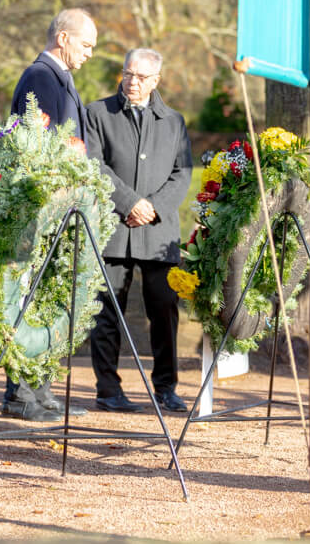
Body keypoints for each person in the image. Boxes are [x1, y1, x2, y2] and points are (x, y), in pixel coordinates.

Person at [85, 48, 192, 413]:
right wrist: (129, 202)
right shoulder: (97, 113)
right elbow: (93, 164)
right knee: (106, 311)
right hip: (113, 227)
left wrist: (152, 208)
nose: (132, 82)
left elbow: (183, 173)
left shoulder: (174, 121)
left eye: (141, 77)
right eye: (128, 74)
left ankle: (166, 387)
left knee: (164, 310)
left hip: (159, 234)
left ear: (156, 81)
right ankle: (108, 389)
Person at [3, 8, 98, 422]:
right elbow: (38, 143)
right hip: (41, 206)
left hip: (59, 205)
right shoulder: (41, 76)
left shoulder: (60, 77)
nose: (90, 53)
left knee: (47, 300)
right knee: (31, 300)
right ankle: (21, 394)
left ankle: (40, 390)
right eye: (86, 44)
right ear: (63, 38)